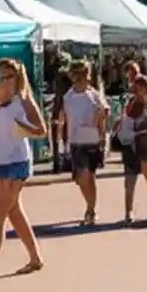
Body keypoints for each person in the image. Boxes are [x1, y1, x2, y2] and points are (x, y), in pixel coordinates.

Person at [0, 58, 46, 280]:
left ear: (17, 77)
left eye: (8, 76)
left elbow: (41, 130)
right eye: (1, 76)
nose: (3, 80)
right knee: (14, 212)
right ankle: (35, 258)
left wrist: (20, 127)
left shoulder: (23, 100)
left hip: (16, 161)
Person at [59, 60, 108, 225]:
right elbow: (64, 119)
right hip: (75, 140)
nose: (84, 77)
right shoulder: (68, 96)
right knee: (80, 178)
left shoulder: (94, 94)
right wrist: (63, 141)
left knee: (89, 175)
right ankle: (89, 205)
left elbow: (102, 114)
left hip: (91, 139)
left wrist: (102, 135)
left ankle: (91, 209)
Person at [114, 75, 147, 224]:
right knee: (129, 183)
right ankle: (128, 213)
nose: (138, 92)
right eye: (136, 88)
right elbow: (124, 120)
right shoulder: (131, 104)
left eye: (141, 88)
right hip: (130, 147)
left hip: (145, 148)